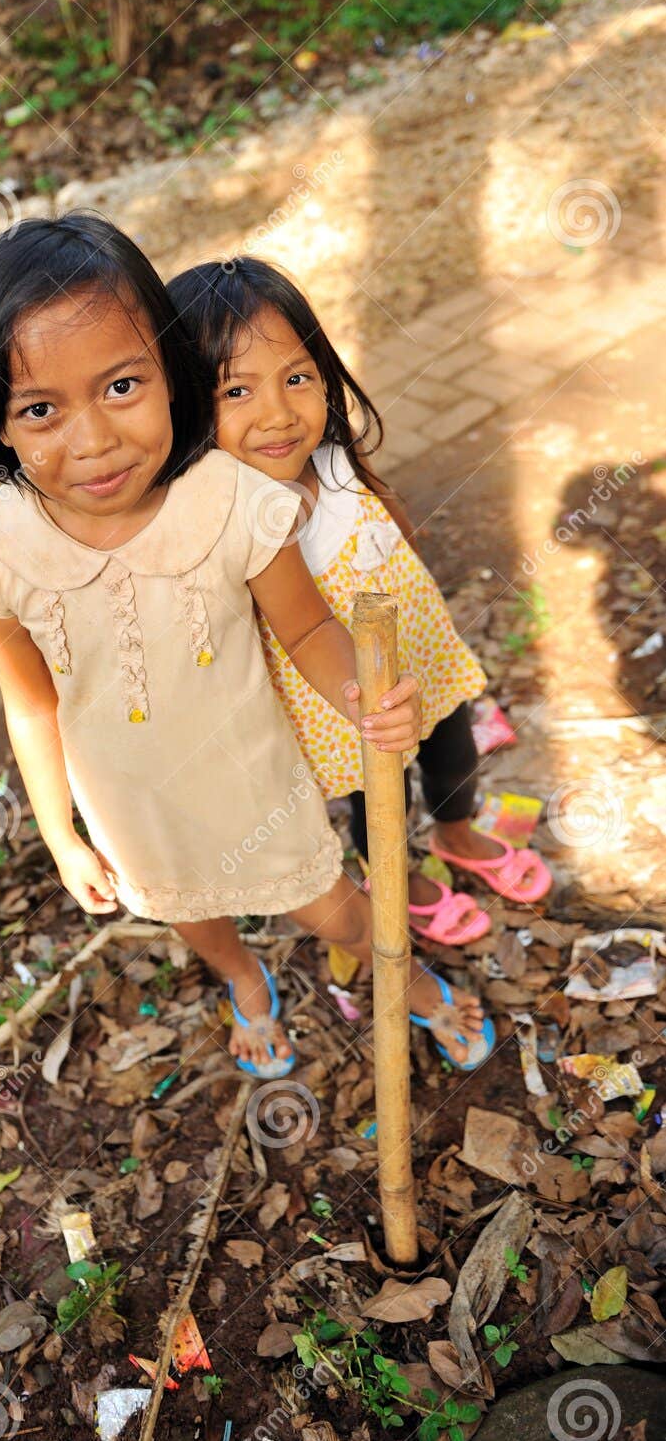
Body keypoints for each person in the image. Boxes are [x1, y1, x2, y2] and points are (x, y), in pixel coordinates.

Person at [0, 213, 487, 1077]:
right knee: (192, 916)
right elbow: (30, 700)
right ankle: (243, 983)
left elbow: (307, 625)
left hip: (255, 786)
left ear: (170, 374)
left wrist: (363, 689)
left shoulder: (231, 501)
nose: (92, 440)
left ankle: (412, 983)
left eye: (122, 386)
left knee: (341, 912)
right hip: (135, 812)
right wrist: (61, 832)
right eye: (41, 409)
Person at [166, 254, 552, 963]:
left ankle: (457, 835)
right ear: (187, 407)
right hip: (345, 697)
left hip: (419, 650)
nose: (277, 413)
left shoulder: (328, 451)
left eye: (296, 378)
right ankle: (396, 878)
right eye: (236, 392)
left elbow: (373, 500)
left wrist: (396, 527)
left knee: (452, 746)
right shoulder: (233, 520)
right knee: (383, 795)